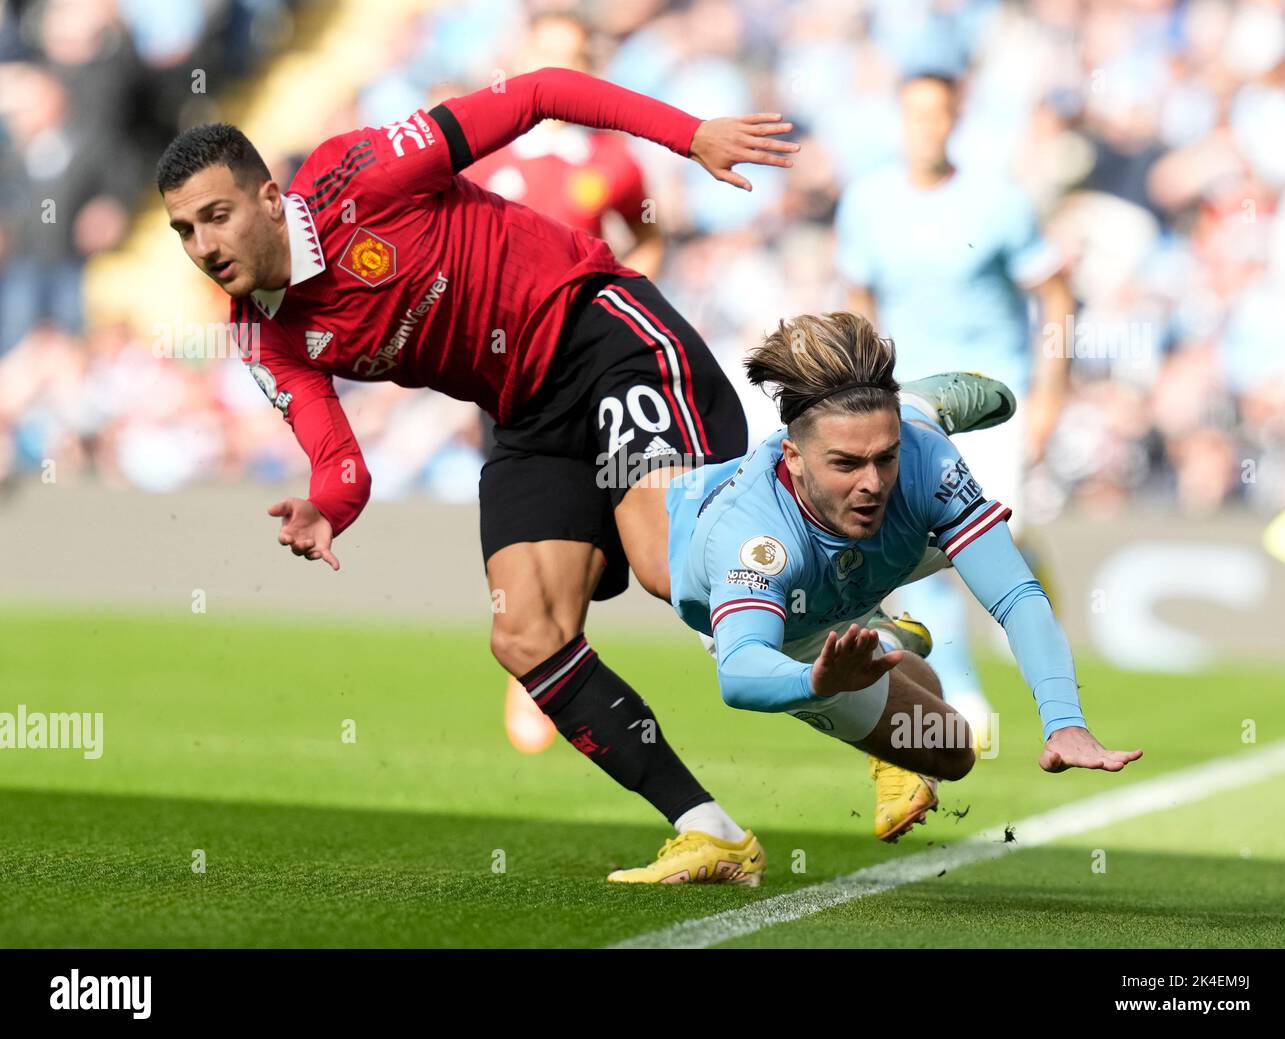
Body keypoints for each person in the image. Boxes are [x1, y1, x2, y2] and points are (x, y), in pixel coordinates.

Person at [156, 66, 799, 885]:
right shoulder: (258, 334)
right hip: (524, 413)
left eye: (216, 216)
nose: (204, 247)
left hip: (598, 335)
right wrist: (325, 507)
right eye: (183, 231)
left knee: (669, 568)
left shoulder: (368, 174)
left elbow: (537, 94)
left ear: (269, 198)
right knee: (524, 632)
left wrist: (690, 133)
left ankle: (840, 568)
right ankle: (710, 830)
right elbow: (341, 463)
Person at [611, 312, 1142, 883]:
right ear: (793, 459)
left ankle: (918, 408)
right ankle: (882, 631)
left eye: (883, 456)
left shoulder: (921, 463)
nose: (871, 481)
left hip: (871, 554)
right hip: (777, 620)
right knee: (951, 749)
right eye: (845, 463)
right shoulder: (752, 542)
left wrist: (1064, 720)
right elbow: (740, 671)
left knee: (975, 424)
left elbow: (1016, 594)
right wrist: (815, 681)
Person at [834, 71, 1075, 744]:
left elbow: (1055, 294)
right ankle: (964, 690)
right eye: (912, 115)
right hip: (908, 400)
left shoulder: (999, 202)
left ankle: (1028, 577)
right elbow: (860, 301)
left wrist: (1052, 391)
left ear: (955, 120)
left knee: (1002, 528)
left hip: (992, 395)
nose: (924, 128)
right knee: (919, 541)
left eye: (936, 115)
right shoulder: (867, 201)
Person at [457, 12, 669, 753]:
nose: (557, 73)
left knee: (584, 524)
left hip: (588, 371)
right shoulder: (482, 153)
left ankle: (544, 661)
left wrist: (629, 303)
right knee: (526, 522)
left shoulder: (613, 162)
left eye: (572, 60)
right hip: (507, 372)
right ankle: (535, 665)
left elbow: (645, 236)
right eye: (547, 56)